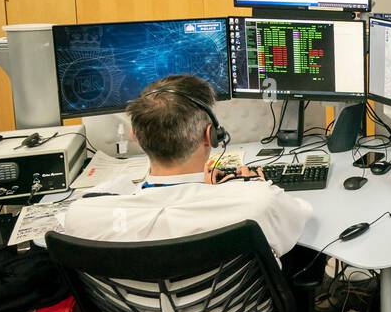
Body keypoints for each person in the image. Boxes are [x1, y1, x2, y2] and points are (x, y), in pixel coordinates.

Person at [62, 75, 313, 263]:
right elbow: (301, 215)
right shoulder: (258, 201)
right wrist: (248, 186)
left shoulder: (82, 216)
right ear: (210, 135)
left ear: (135, 135)